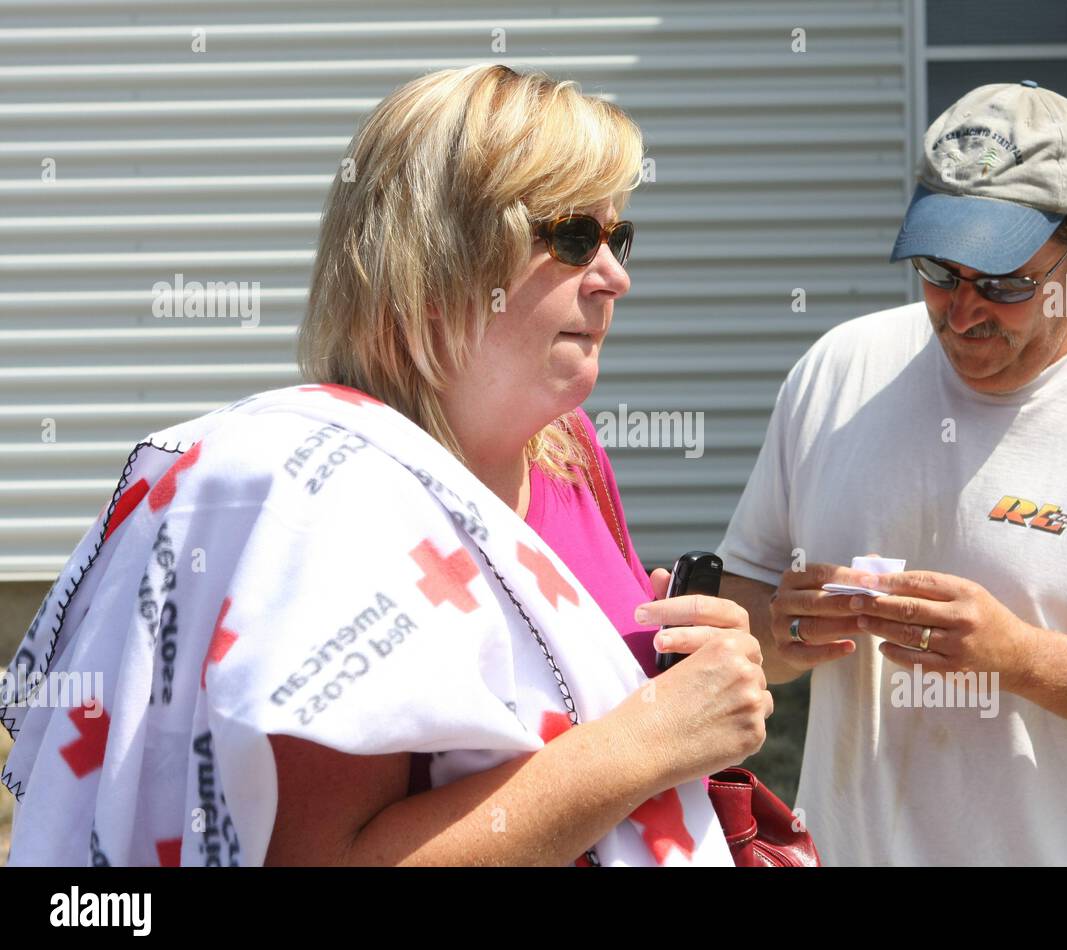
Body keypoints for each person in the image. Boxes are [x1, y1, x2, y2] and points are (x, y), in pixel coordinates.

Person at [0, 64, 771, 867]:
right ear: (436, 268)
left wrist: (706, 678)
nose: (616, 276)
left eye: (621, 237)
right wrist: (648, 742)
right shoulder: (334, 497)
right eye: (575, 237)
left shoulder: (568, 454)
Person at [711, 81, 1067, 865]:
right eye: (937, 271)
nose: (962, 313)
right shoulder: (841, 372)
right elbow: (745, 608)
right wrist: (787, 628)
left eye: (1004, 283)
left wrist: (1022, 659)